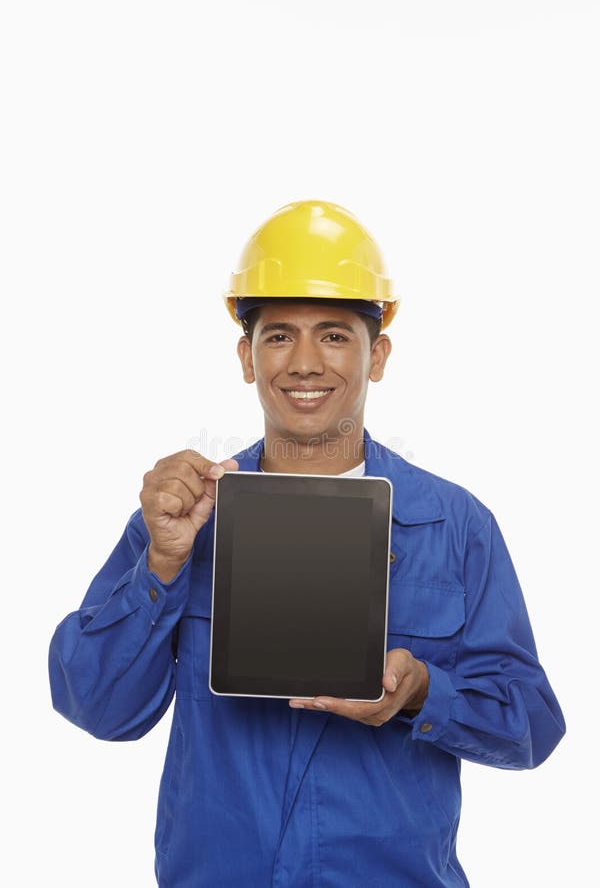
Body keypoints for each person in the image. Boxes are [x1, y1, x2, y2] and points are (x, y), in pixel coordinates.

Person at [49, 200, 565, 887]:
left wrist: (421, 694)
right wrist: (164, 563)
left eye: (333, 335)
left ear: (376, 354)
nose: (304, 364)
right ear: (246, 356)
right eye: (279, 336)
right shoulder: (180, 520)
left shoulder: (456, 526)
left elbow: (530, 723)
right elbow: (97, 707)